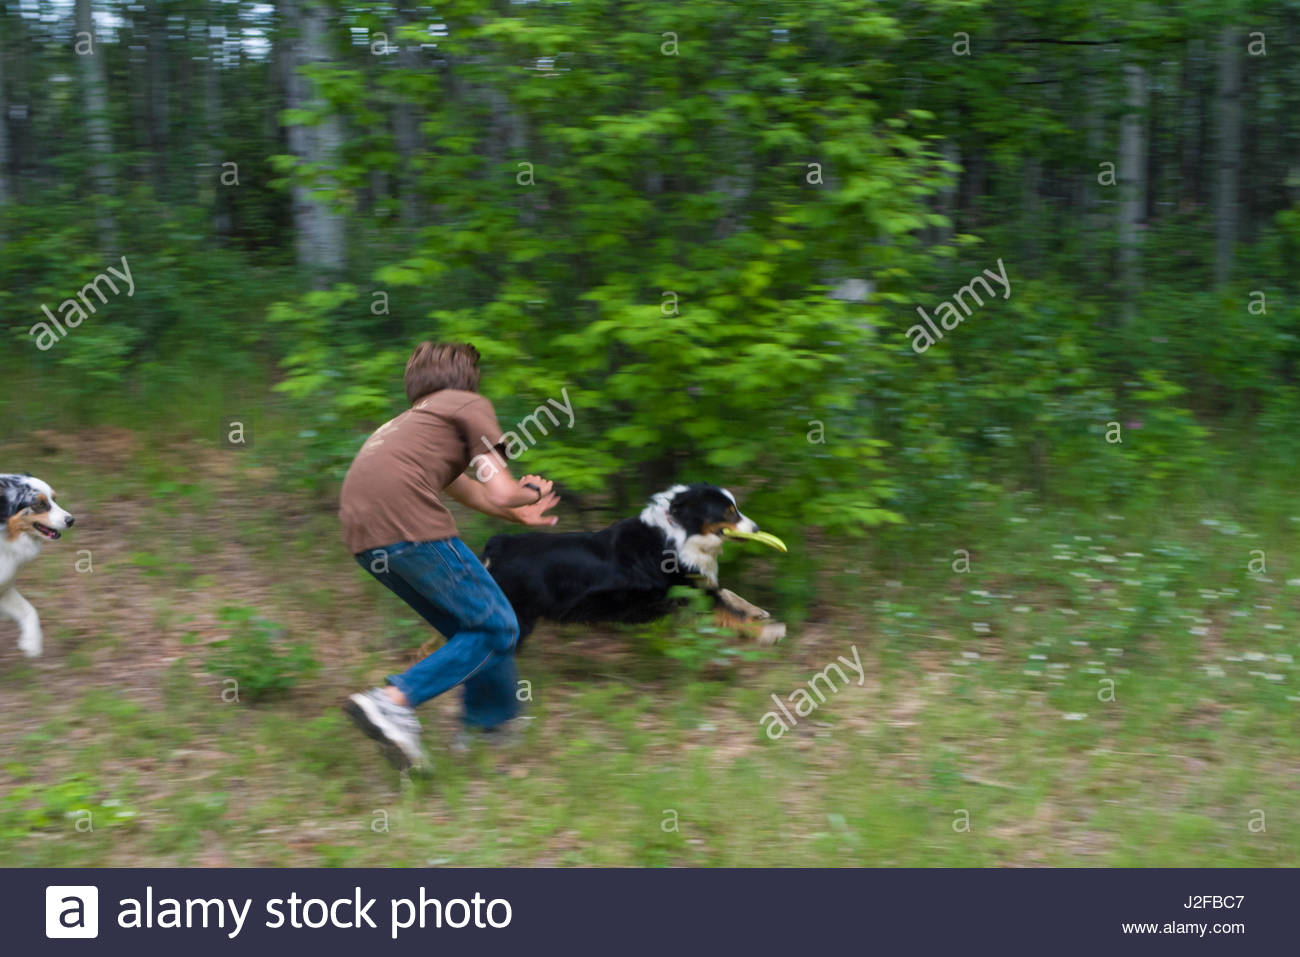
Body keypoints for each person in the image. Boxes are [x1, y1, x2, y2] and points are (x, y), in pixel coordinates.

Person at [340, 341, 560, 770]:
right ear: (467, 380)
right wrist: (529, 491)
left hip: (365, 537)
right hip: (408, 524)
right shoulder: (466, 403)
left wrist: (520, 515)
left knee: (474, 627)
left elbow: (474, 493)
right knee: (498, 626)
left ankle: (488, 727)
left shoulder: (411, 425)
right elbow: (499, 488)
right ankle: (391, 702)